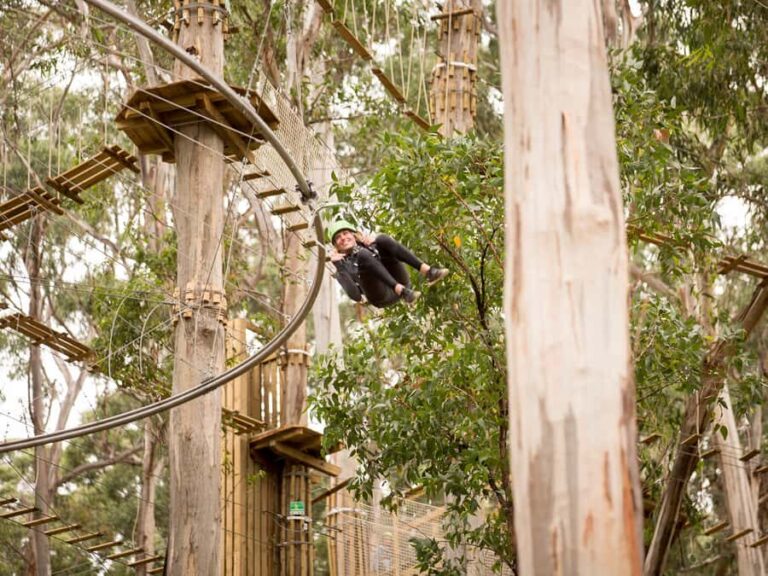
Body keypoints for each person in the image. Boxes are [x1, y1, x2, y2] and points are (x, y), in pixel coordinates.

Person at [327, 219, 449, 308]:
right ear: (336, 246)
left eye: (345, 233)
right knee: (363, 255)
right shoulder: (342, 266)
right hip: (381, 295)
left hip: (402, 284)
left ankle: (428, 271)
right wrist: (339, 266)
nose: (343, 238)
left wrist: (374, 244)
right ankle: (400, 290)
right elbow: (356, 296)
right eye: (338, 237)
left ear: (353, 235)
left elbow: (388, 250)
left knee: (382, 238)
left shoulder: (368, 245)